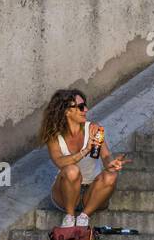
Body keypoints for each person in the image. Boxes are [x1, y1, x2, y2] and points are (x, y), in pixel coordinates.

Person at [40, 88, 126, 227]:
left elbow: (105, 155)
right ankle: (69, 217)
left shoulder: (94, 128)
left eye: (85, 105)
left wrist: (112, 163)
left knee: (111, 175)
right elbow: (60, 162)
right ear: (67, 111)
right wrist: (85, 150)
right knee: (71, 170)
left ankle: (84, 217)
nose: (85, 109)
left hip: (92, 192)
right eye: (80, 107)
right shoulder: (54, 137)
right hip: (65, 194)